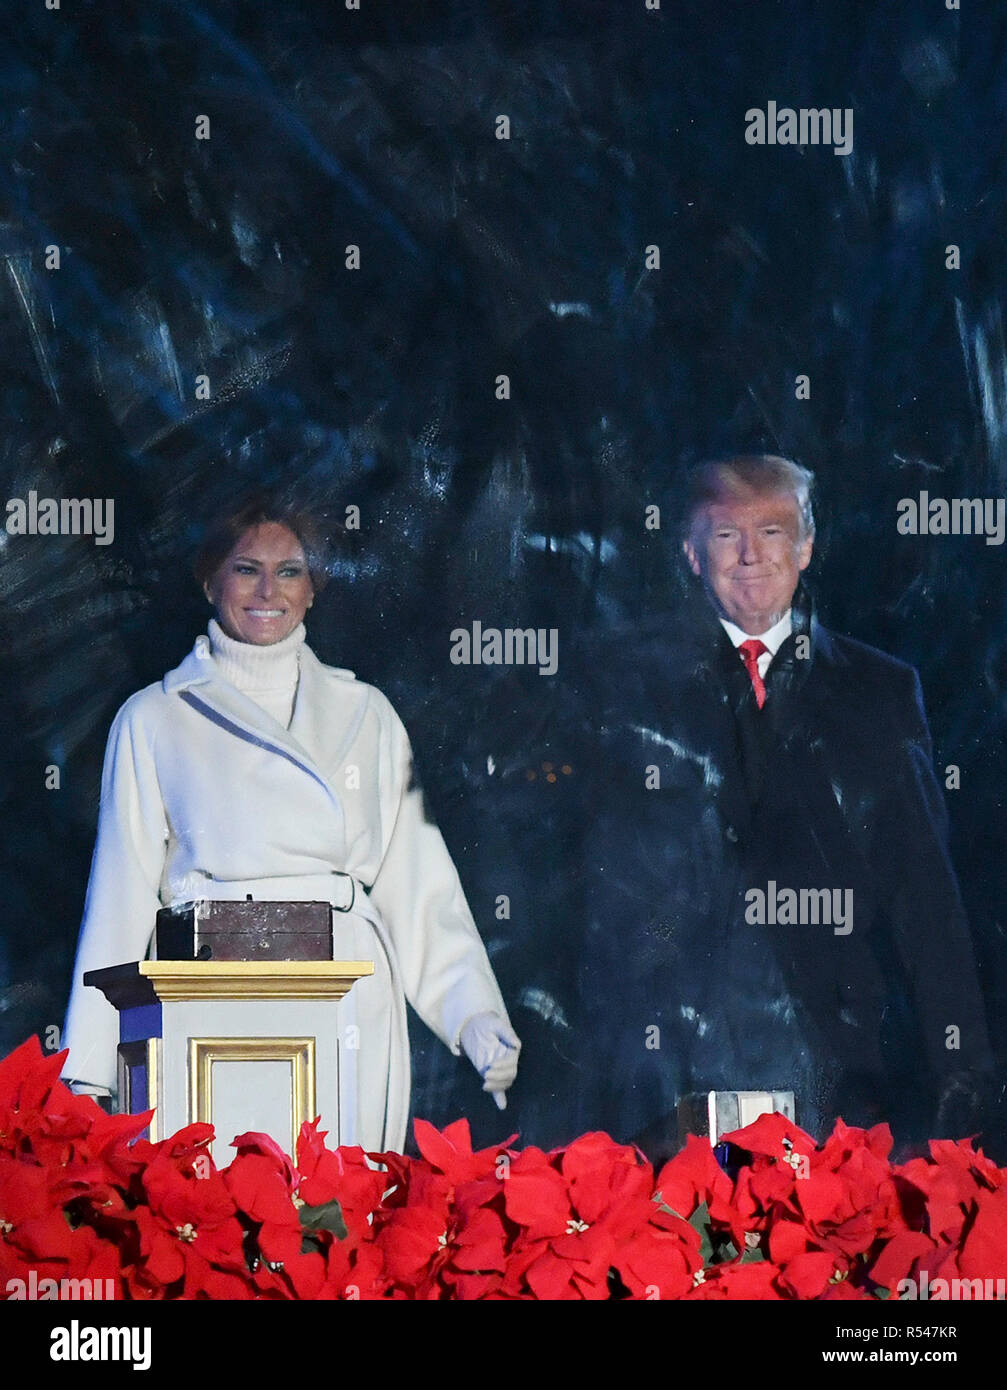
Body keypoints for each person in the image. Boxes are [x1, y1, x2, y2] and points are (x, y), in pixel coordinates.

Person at [61, 496, 520, 1152]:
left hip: (346, 990)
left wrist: (473, 1013)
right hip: (204, 993)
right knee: (209, 1212)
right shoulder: (153, 717)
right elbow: (120, 892)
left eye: (291, 571)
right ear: (209, 579)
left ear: (315, 589)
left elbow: (418, 884)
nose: (268, 590)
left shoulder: (368, 713)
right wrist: (89, 1066)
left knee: (335, 1216)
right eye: (247, 569)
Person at [575, 454, 995, 1152]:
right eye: (723, 535)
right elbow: (592, 891)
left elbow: (926, 893)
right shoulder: (623, 685)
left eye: (770, 532)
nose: (748, 556)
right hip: (671, 1062)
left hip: (834, 1060)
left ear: (804, 547)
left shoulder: (878, 690)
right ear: (688, 552)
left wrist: (962, 1067)